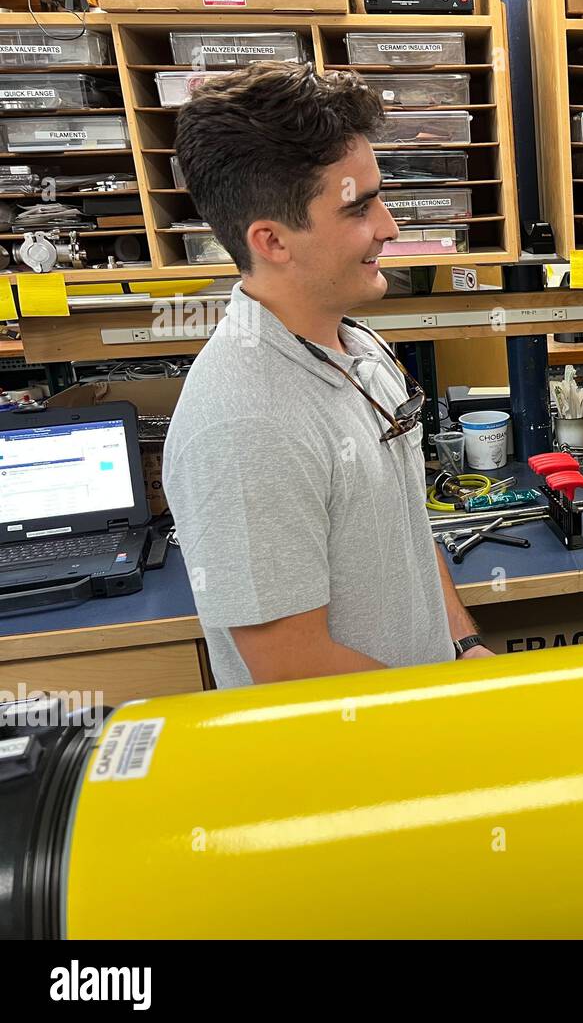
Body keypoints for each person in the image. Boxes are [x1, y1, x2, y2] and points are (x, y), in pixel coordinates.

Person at [163, 63, 490, 688]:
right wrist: (444, 715)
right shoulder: (244, 426)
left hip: (417, 716)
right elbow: (295, 670)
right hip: (352, 760)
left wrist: (462, 642)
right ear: (273, 240)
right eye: (359, 208)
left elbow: (407, 527)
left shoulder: (357, 346)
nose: (390, 227)